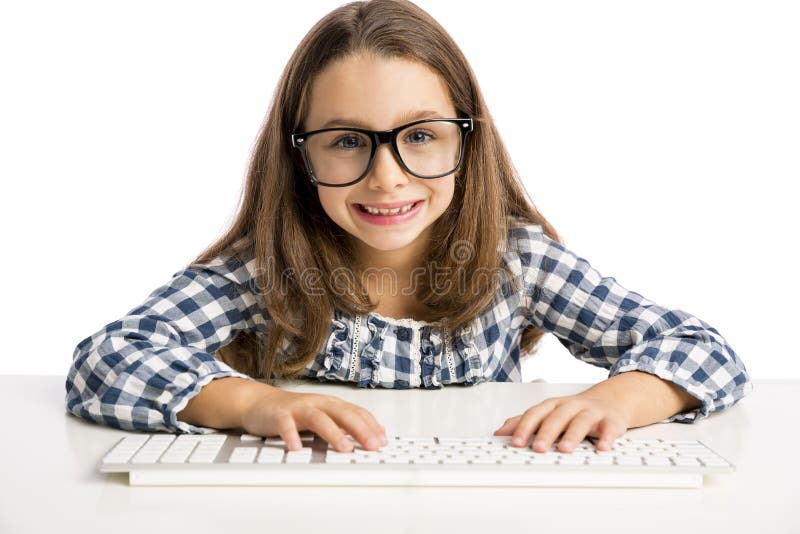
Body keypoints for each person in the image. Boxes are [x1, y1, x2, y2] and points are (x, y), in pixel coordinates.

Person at [64, 0, 752, 456]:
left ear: (466, 142)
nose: (387, 177)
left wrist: (616, 398)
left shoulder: (517, 262)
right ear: (300, 155)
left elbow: (702, 349)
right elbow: (107, 359)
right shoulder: (267, 268)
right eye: (346, 141)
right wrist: (252, 405)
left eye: (419, 136)